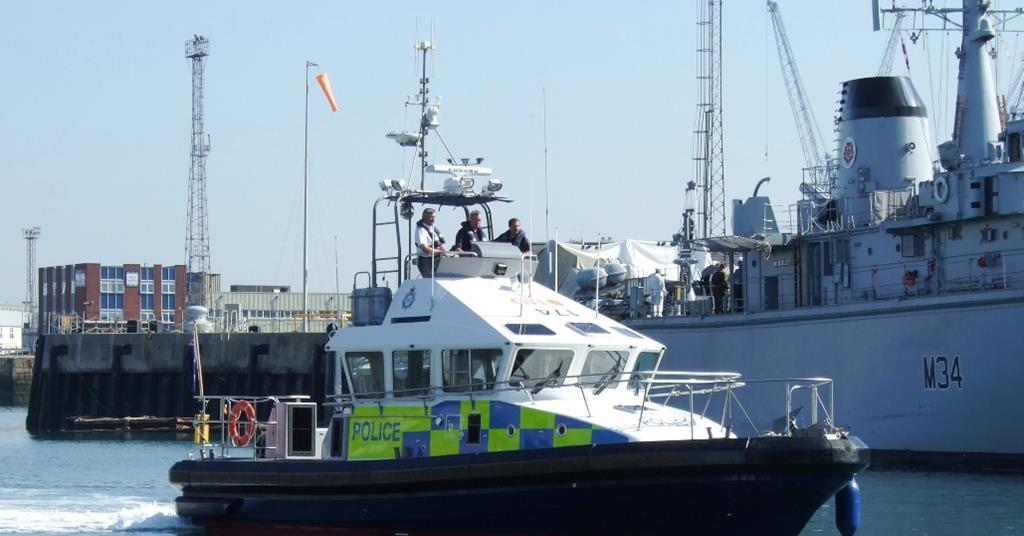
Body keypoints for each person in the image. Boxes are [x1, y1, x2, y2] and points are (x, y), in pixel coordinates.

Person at [415, 208, 446, 277]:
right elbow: (424, 248)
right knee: (429, 280)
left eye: (434, 217)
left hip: (436, 258)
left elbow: (438, 244)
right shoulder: (421, 229)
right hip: (426, 260)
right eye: (430, 217)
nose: (433, 219)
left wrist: (444, 252)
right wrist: (439, 251)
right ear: (424, 217)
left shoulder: (432, 228)